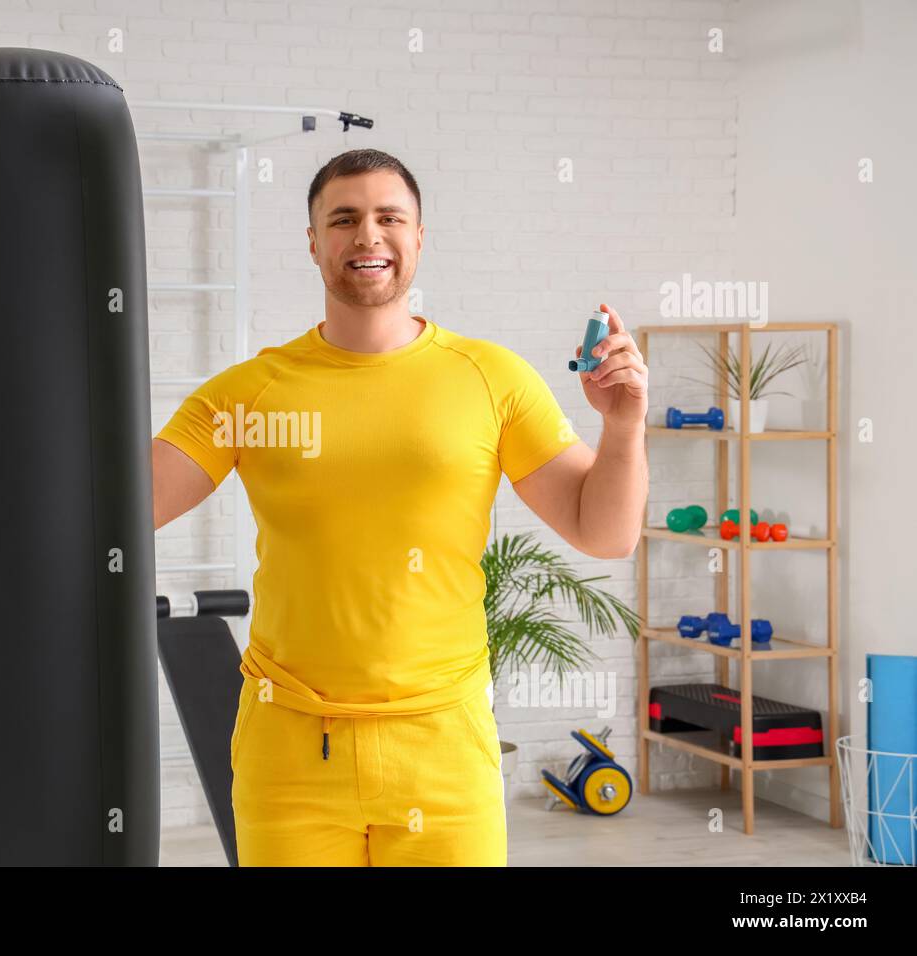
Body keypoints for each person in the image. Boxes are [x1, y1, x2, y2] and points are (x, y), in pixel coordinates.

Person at [153, 148, 649, 866]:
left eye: (390, 217)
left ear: (420, 237)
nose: (368, 236)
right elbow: (119, 512)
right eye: (344, 219)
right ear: (314, 242)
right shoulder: (249, 393)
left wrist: (624, 425)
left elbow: (603, 534)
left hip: (442, 746)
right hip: (289, 748)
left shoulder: (491, 378)